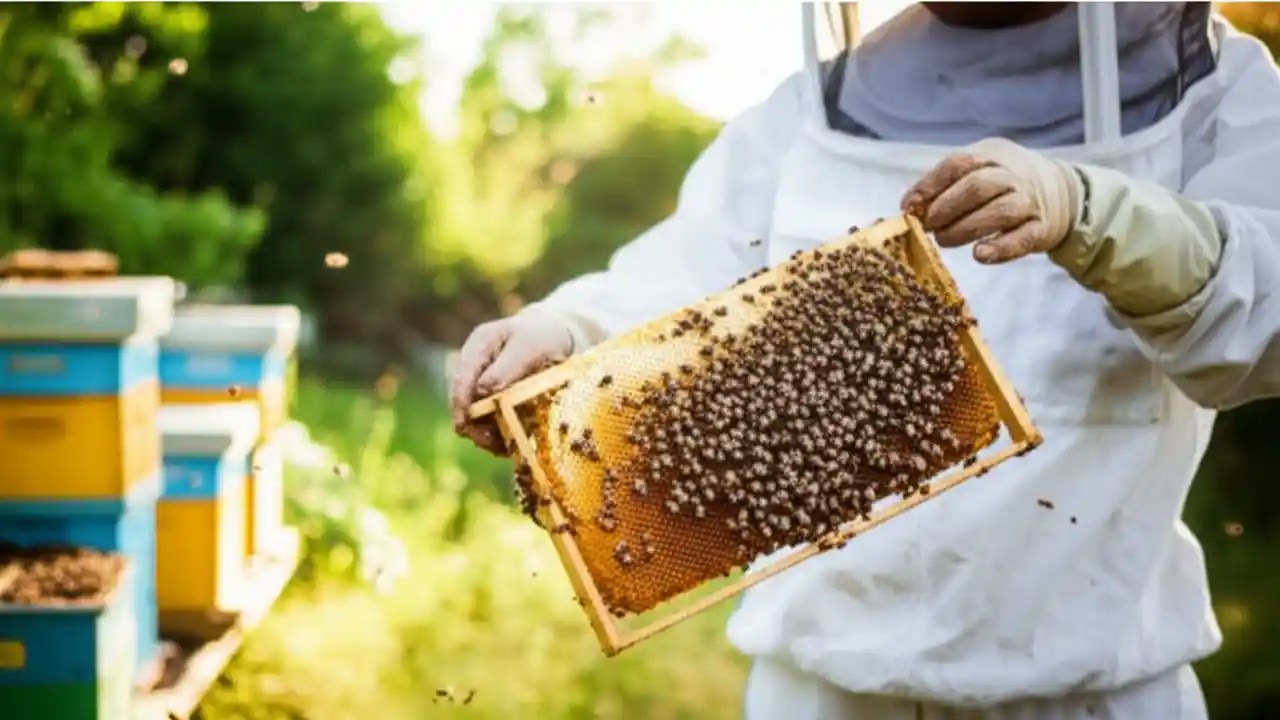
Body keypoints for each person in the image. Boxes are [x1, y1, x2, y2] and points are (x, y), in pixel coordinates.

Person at [450, 2, 1280, 717]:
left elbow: (1261, 324)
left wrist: (1091, 212)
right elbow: (681, 282)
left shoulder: (1216, 86)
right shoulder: (811, 109)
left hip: (1088, 692)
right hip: (819, 692)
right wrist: (560, 334)